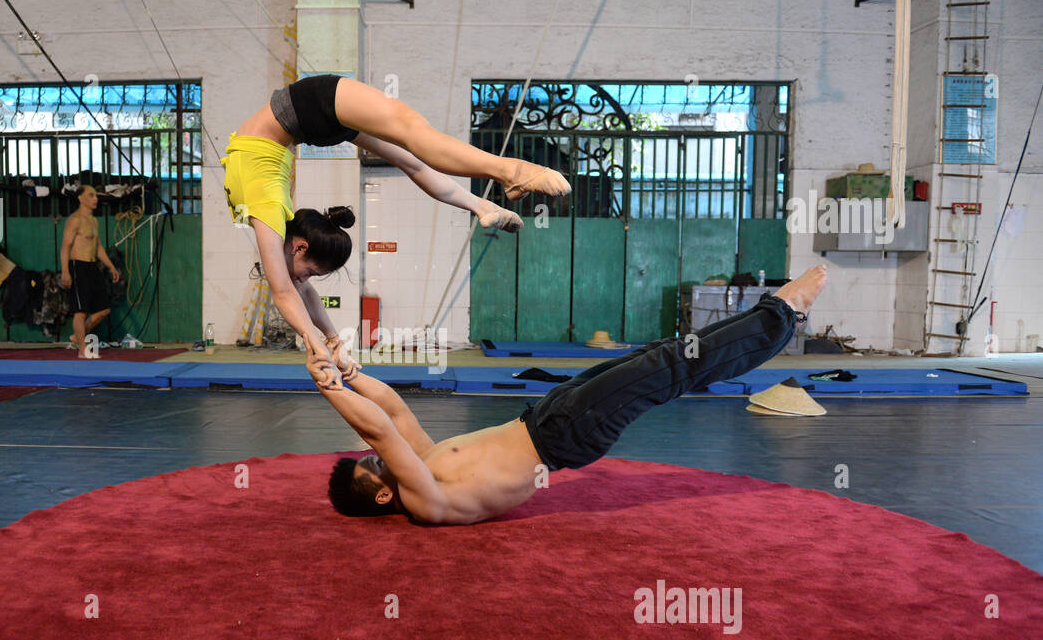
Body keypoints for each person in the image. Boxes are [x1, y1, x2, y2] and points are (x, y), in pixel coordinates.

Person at [311, 266, 829, 526]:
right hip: (566, 434)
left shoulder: (422, 463)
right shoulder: (426, 501)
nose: (376, 456)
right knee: (672, 367)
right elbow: (380, 429)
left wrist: (349, 371)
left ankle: (773, 316)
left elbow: (393, 411)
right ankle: (783, 315)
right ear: (383, 495)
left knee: (666, 355)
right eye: (372, 467)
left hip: (550, 415)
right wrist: (327, 385)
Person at [222, 74, 572, 386]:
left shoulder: (266, 208)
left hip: (311, 103)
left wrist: (314, 347)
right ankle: (482, 206)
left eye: (310, 272)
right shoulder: (281, 232)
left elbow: (285, 292)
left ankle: (511, 172)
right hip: (310, 125)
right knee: (411, 160)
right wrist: (331, 339)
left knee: (413, 133)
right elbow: (299, 290)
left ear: (299, 247)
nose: (305, 280)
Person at [60, 184, 120, 359]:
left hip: (92, 267)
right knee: (80, 312)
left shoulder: (94, 221)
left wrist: (111, 266)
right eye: (91, 195)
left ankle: (77, 337)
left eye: (96, 195)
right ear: (80, 198)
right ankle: (82, 350)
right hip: (77, 267)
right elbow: (65, 246)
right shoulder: (75, 220)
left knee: (104, 310)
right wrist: (65, 271)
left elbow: (98, 247)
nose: (95, 199)